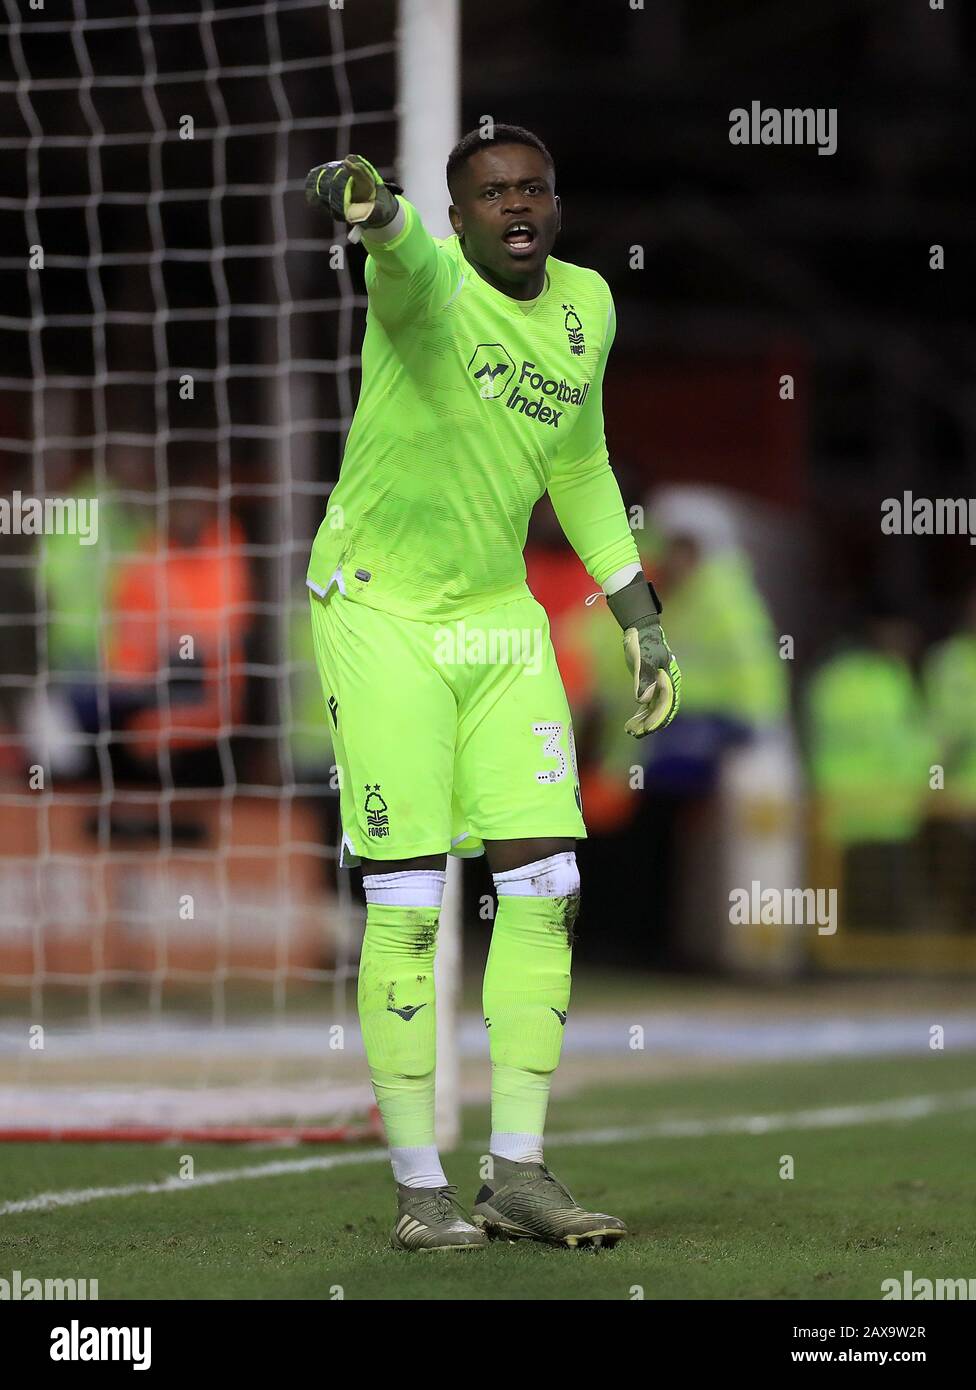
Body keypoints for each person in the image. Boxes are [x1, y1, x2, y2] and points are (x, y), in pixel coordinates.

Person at [304, 128, 681, 1250]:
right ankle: (420, 1191)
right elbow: (400, 246)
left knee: (547, 878)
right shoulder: (421, 285)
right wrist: (373, 207)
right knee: (411, 903)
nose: (514, 207)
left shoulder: (587, 308)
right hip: (379, 610)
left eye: (531, 190)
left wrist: (641, 620)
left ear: (554, 205)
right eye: (489, 195)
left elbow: (579, 464)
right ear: (460, 214)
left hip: (496, 618)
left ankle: (515, 1170)